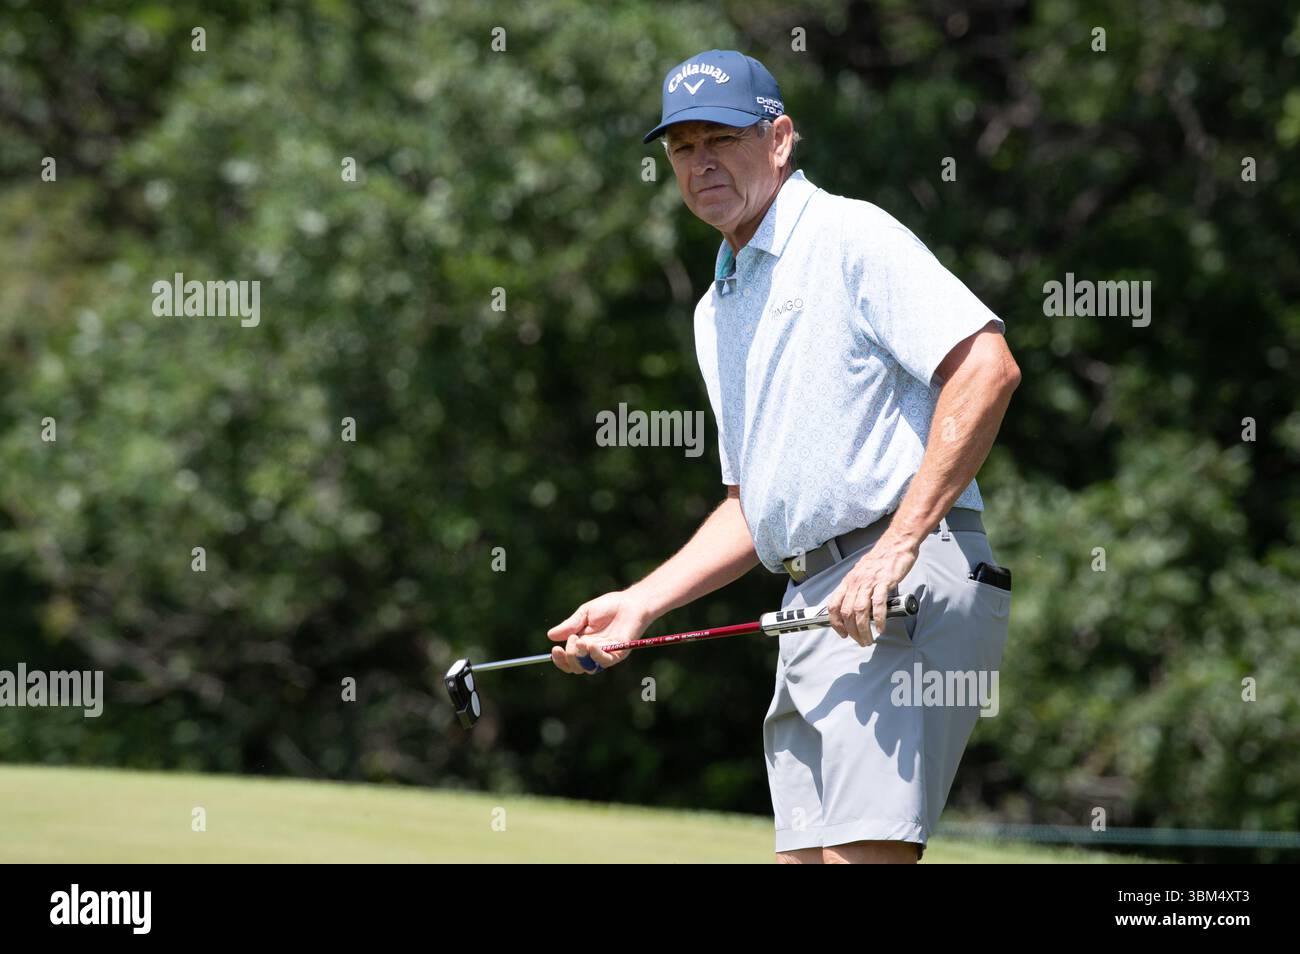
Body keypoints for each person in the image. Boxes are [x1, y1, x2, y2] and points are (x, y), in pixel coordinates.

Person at [547, 49, 1021, 864]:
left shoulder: (849, 235)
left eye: (722, 138)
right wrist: (642, 601)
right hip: (811, 607)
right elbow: (750, 505)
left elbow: (986, 367)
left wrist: (898, 549)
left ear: (779, 139)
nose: (703, 164)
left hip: (895, 589)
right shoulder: (715, 306)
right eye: (683, 148)